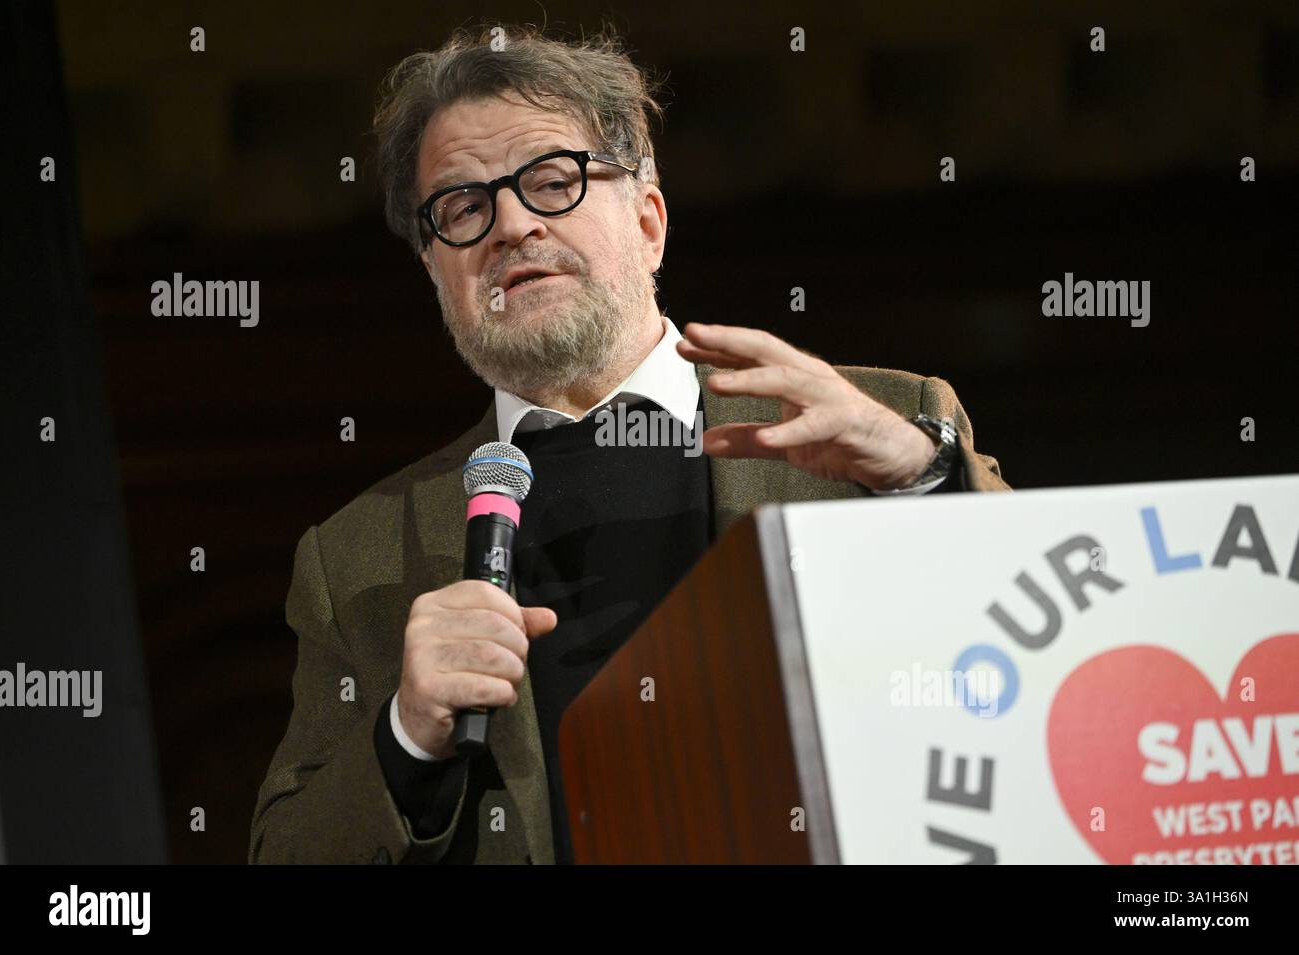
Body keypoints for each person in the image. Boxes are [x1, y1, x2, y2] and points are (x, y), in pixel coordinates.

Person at [249, 22, 1009, 865]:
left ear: (649, 220)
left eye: (550, 181)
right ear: (435, 268)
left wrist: (920, 474)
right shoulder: (352, 555)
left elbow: (1055, 634)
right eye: (463, 206)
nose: (509, 225)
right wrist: (407, 734)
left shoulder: (884, 419)